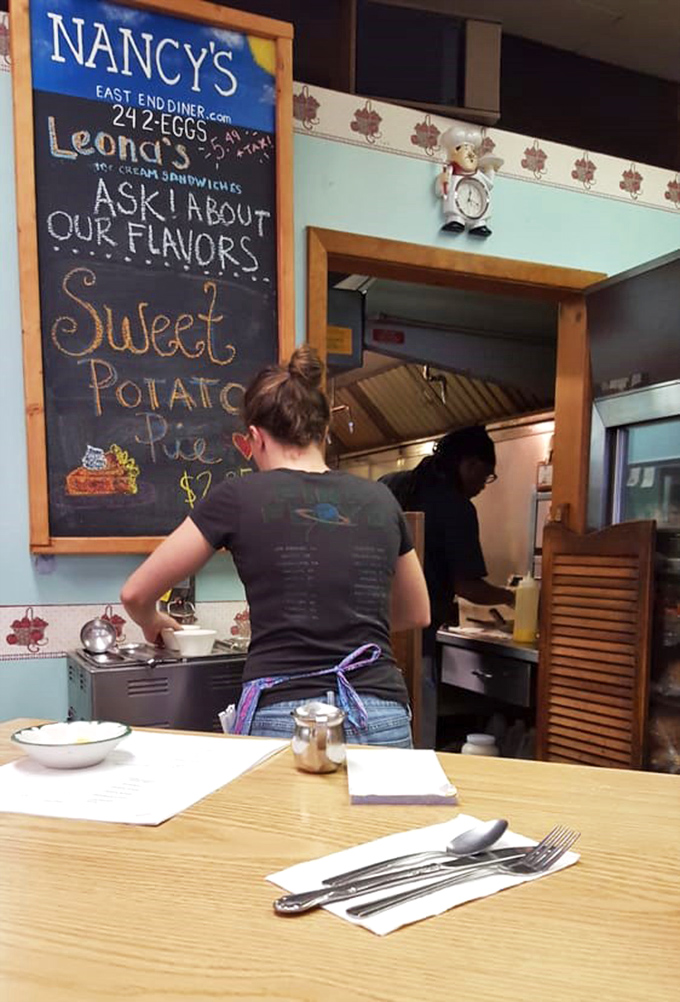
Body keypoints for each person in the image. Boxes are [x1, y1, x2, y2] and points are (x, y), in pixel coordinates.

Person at [121, 346, 430, 747]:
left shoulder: (238, 496)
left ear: (253, 438)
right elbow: (416, 612)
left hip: (286, 716)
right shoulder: (381, 499)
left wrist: (152, 621)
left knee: (279, 816)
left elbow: (135, 593)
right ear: (324, 433)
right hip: (380, 713)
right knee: (384, 815)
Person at [380, 426, 514, 746]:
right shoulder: (456, 507)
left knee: (382, 735)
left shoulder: (389, 484)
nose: (483, 485)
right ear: (469, 464)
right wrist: (512, 597)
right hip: (417, 636)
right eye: (486, 475)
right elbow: (467, 585)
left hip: (372, 634)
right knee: (418, 736)